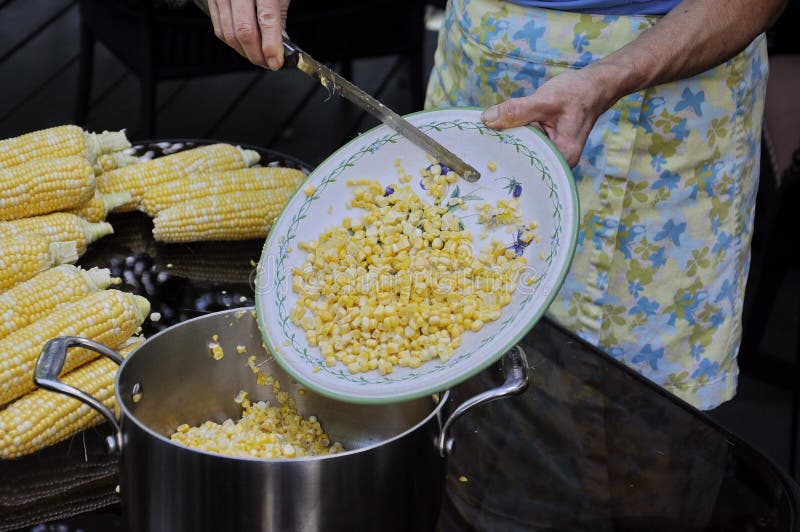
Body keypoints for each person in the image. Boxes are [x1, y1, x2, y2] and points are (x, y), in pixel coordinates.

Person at [206, 0, 787, 412]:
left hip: (663, 89)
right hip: (483, 54)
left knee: (642, 422)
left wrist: (608, 77)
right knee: (461, 404)